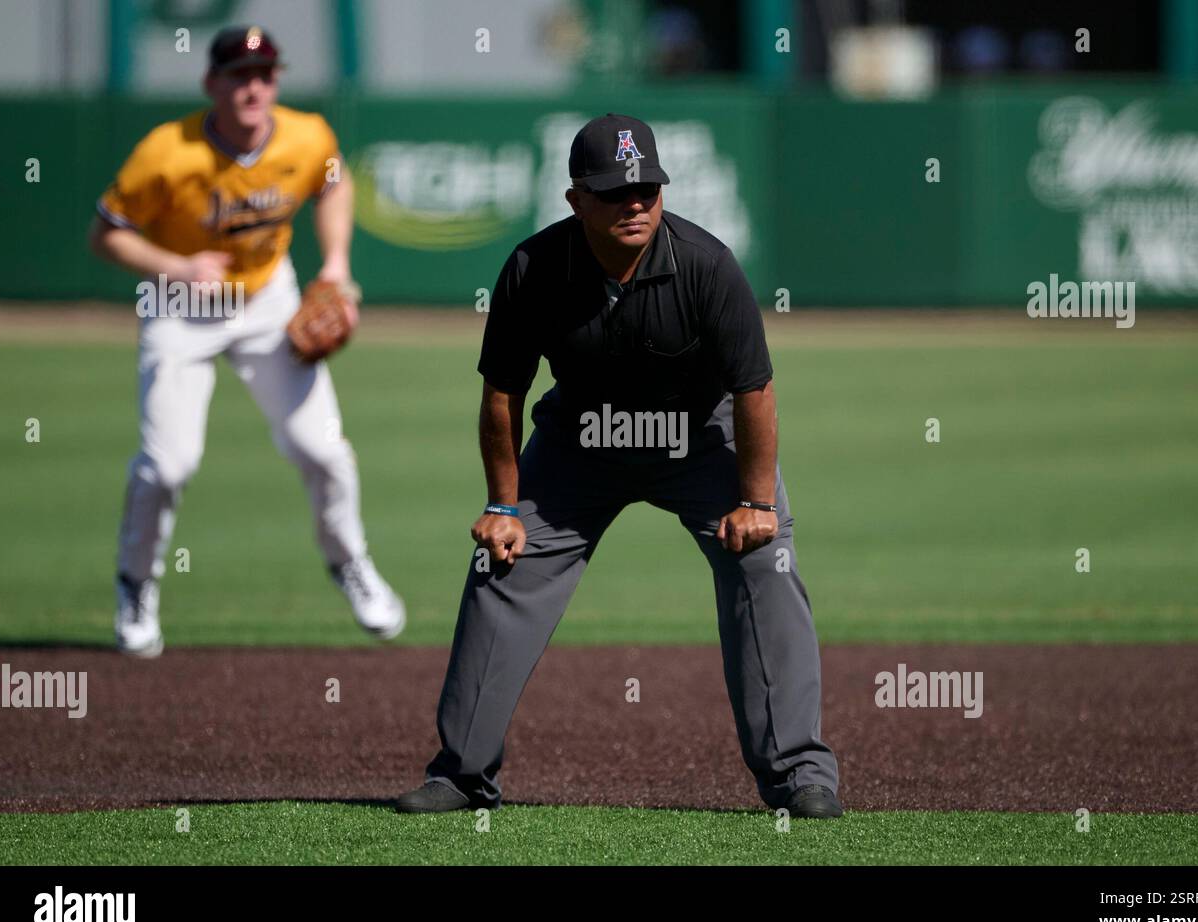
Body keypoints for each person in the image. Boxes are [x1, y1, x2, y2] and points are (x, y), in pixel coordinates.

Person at [397, 114, 841, 817]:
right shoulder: (534, 268)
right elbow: (502, 394)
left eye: (646, 189)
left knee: (766, 562)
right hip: (581, 442)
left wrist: (756, 501)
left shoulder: (706, 264)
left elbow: (754, 389)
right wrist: (504, 507)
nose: (634, 203)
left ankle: (799, 775)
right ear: (576, 200)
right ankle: (461, 773)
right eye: (613, 192)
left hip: (699, 437)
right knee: (500, 565)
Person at [88, 25, 405, 658]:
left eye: (265, 74)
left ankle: (350, 564)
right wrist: (175, 268)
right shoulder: (165, 152)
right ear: (212, 84)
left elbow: (334, 182)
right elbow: (106, 233)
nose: (253, 86)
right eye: (238, 75)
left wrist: (337, 265)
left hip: (266, 302)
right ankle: (136, 584)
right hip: (180, 308)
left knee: (324, 452)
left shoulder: (307, 136)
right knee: (167, 465)